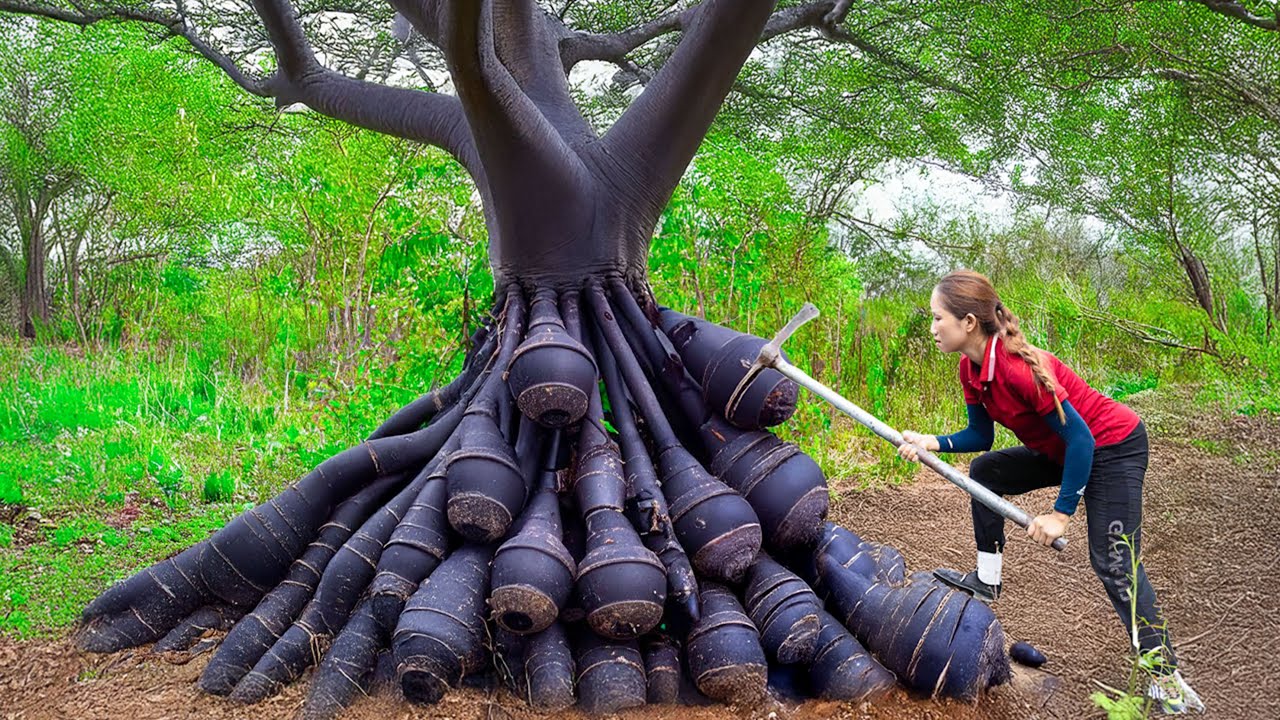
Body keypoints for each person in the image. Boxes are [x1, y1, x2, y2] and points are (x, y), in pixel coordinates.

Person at [896, 270, 1203, 714]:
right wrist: (931, 442)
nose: (931, 328)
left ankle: (1164, 676)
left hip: (1113, 445)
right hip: (1061, 450)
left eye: (936, 317)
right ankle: (987, 580)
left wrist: (1061, 513)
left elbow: (1083, 440)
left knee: (1114, 561)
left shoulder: (1021, 370)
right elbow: (979, 437)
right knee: (985, 471)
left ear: (966, 322)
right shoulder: (971, 367)